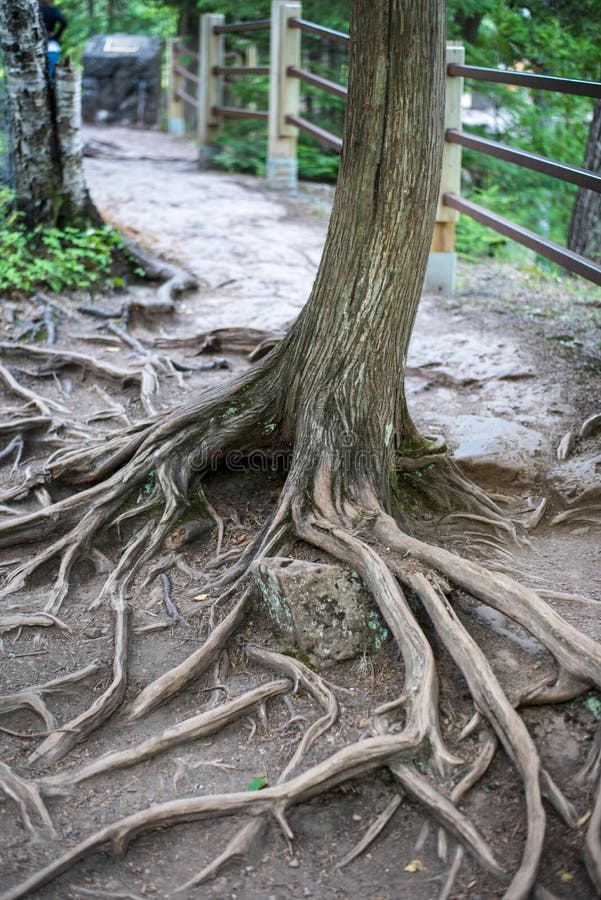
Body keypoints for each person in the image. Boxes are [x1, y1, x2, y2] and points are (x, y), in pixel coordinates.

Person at [38, 0, 67, 86]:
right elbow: (64, 22)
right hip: (51, 46)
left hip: (35, 47)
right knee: (51, 76)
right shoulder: (52, 10)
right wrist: (56, 36)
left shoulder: (33, 10)